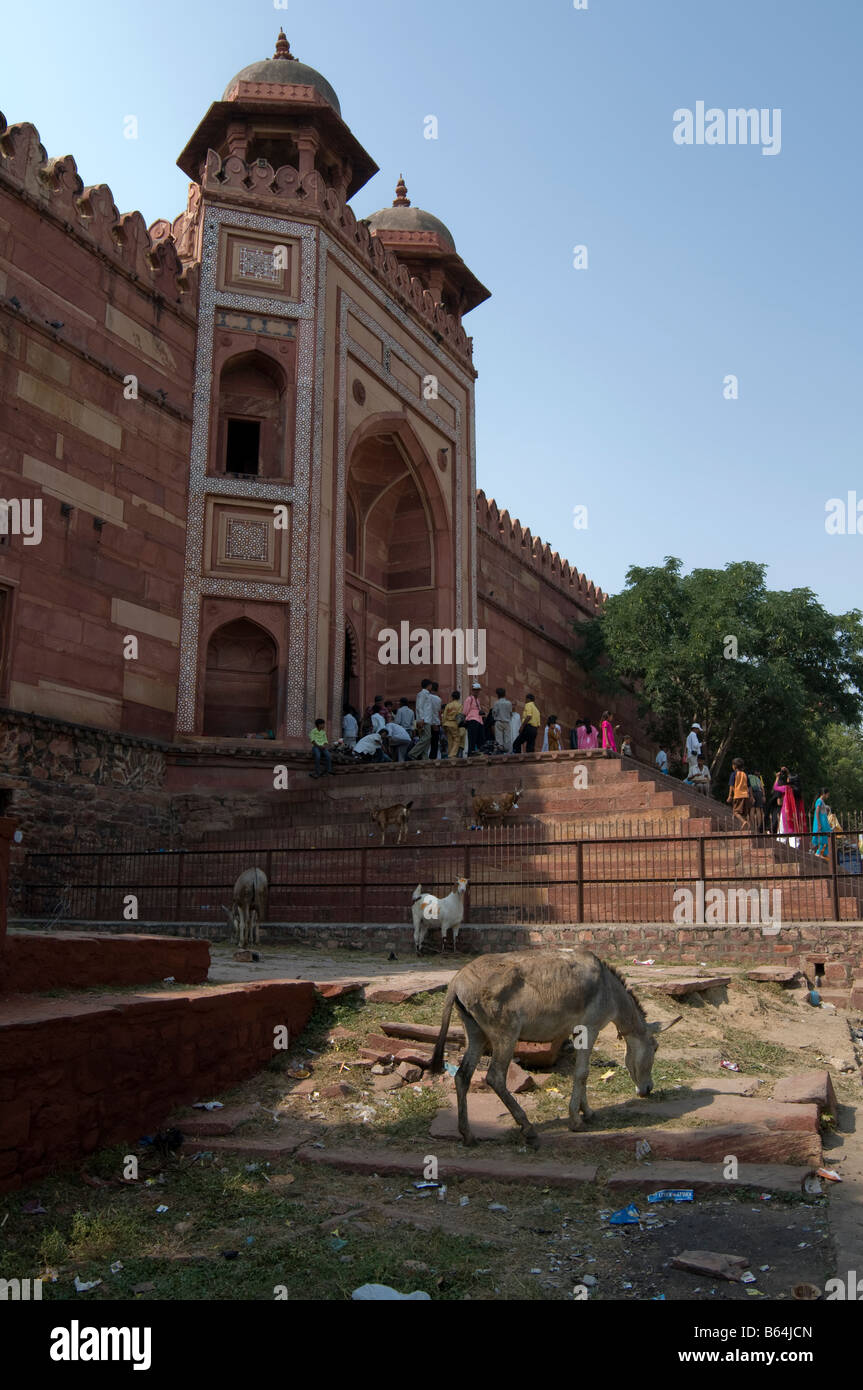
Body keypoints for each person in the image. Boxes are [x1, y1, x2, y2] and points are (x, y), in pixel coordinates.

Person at [774, 767, 805, 848]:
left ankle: (780, 850)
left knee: (782, 833)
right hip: (796, 814)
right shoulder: (798, 791)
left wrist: (777, 777)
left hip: (786, 813)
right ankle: (795, 851)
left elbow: (775, 787)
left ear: (790, 780)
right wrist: (788, 773)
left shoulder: (786, 788)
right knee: (794, 833)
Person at [726, 757, 751, 829]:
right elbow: (749, 786)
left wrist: (730, 796)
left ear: (734, 766)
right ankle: (746, 825)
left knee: (736, 812)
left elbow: (731, 785)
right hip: (746, 795)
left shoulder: (734, 774)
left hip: (738, 795)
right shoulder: (745, 774)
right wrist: (751, 796)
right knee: (744, 813)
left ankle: (744, 822)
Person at [462, 682, 485, 756]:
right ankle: (471, 754)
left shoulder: (477, 700)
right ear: (472, 690)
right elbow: (465, 711)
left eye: (478, 690)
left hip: (479, 720)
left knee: (479, 739)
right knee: (472, 739)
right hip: (472, 720)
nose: (477, 691)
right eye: (475, 690)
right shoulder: (469, 699)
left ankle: (478, 753)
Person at [811, 787, 832, 859]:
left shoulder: (822, 802)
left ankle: (823, 853)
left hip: (824, 823)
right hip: (821, 823)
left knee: (826, 838)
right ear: (824, 794)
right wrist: (819, 824)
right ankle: (818, 853)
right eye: (827, 794)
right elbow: (817, 812)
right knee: (822, 839)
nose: (828, 796)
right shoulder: (819, 801)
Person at [442, 689, 463, 759]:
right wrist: (459, 725)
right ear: (459, 697)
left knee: (450, 740)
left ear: (452, 697)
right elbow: (459, 716)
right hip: (454, 724)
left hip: (447, 724)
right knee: (457, 739)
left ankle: (449, 754)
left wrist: (443, 724)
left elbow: (444, 716)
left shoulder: (448, 705)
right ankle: (452, 755)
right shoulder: (459, 705)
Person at [491, 687, 513, 753]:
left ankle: (499, 752)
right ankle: (508, 752)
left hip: (499, 721)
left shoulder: (496, 703)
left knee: (499, 739)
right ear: (505, 694)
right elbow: (510, 713)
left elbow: (494, 713)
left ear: (498, 695)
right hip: (507, 722)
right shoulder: (509, 703)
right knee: (507, 739)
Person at [428, 681, 443, 760]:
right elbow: (439, 712)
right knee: (435, 742)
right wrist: (440, 722)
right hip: (436, 722)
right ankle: (433, 757)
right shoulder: (438, 699)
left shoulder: (427, 697)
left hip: (427, 722)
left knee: (426, 741)